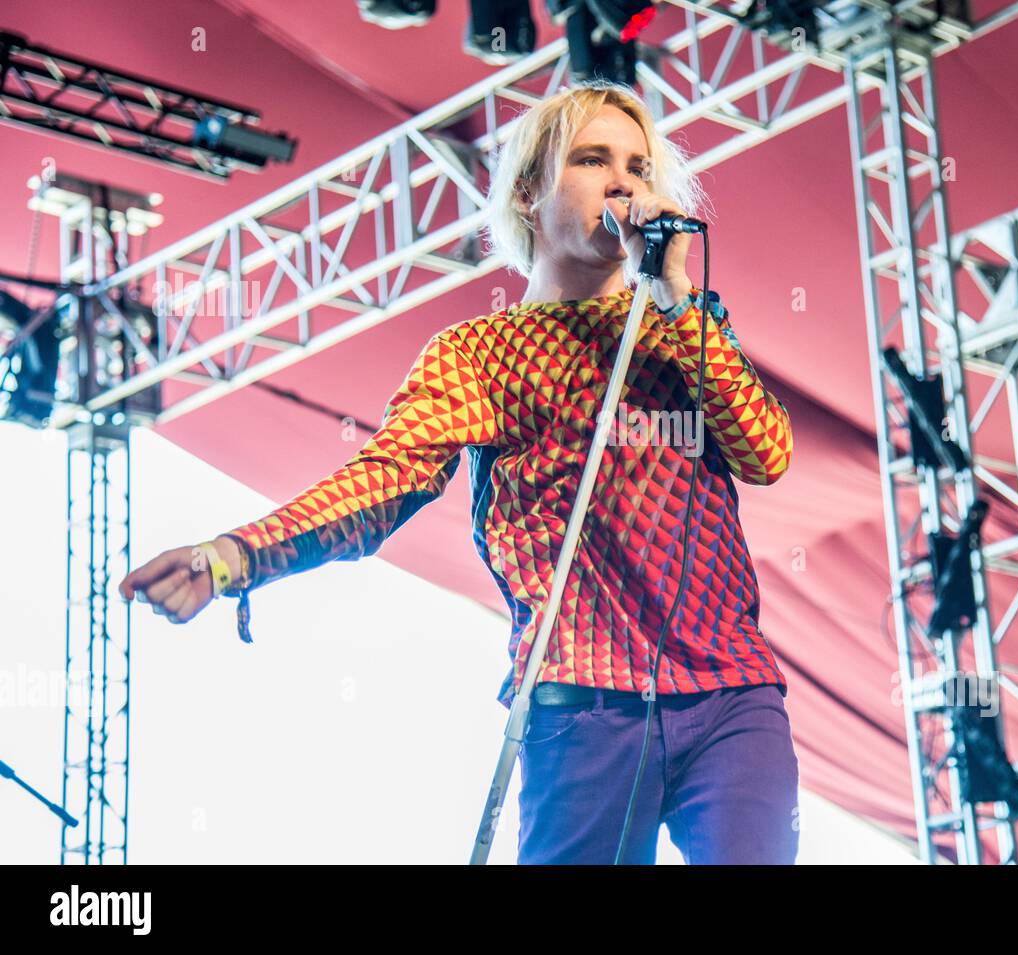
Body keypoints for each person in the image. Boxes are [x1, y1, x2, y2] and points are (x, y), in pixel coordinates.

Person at [117, 79, 800, 865]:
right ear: (529, 193)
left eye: (638, 167)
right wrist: (238, 554)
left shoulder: (680, 327)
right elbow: (382, 481)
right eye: (592, 160)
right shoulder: (477, 354)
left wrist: (676, 296)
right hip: (584, 700)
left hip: (731, 693)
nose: (623, 183)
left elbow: (766, 453)